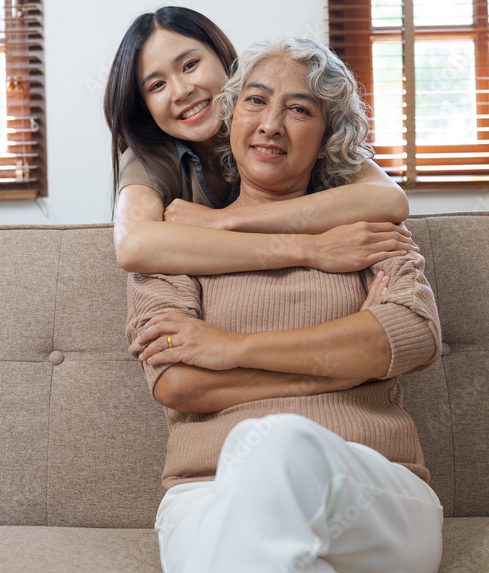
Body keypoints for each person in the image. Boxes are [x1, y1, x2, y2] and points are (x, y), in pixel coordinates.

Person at [126, 37, 444, 573]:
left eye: (299, 110)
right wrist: (341, 367)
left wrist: (232, 348)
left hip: (369, 488)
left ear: (327, 139)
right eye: (255, 101)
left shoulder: (366, 231)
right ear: (228, 118)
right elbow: (177, 381)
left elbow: (410, 334)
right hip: (209, 491)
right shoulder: (175, 239)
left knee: (278, 442)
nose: (272, 124)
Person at [104, 6, 418, 276]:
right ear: (144, 104)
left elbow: (389, 199)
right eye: (157, 85)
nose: (181, 90)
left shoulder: (278, 127)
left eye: (190, 66)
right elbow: (134, 245)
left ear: (226, 59)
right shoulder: (152, 157)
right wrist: (311, 248)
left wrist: (224, 220)